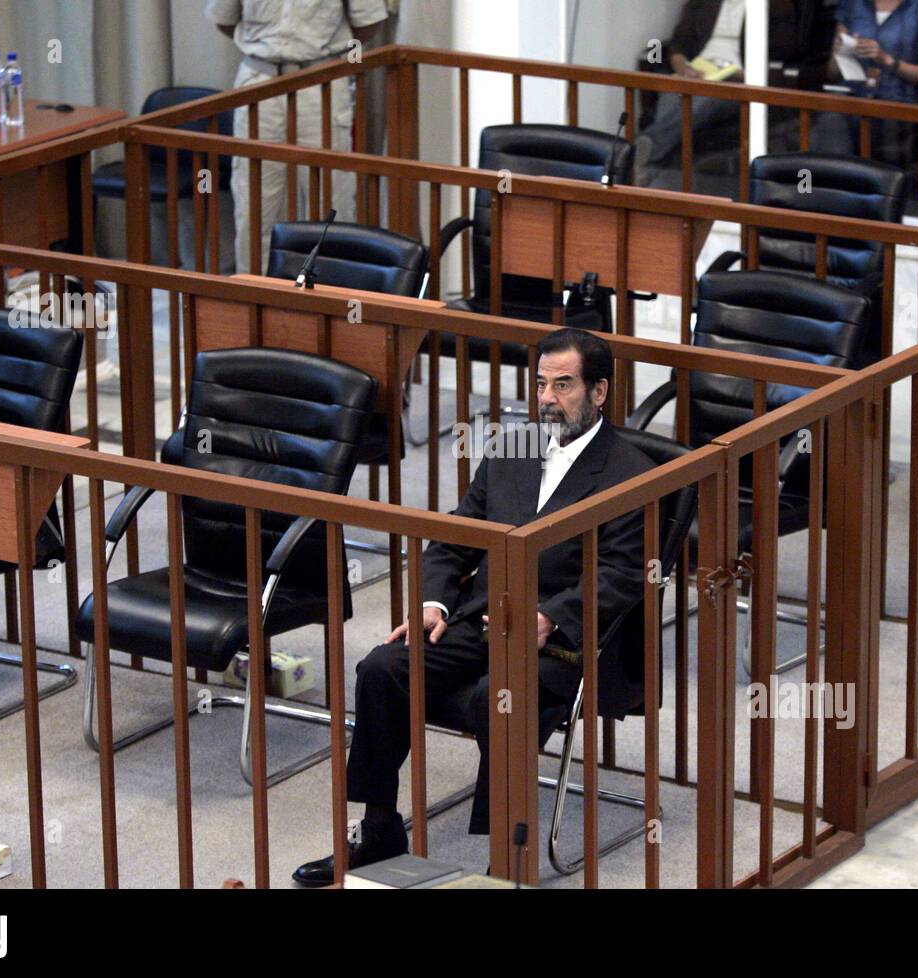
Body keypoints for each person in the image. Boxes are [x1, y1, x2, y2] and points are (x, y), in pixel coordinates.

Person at [292, 329, 655, 886]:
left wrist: (553, 616)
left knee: (497, 696)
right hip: (482, 619)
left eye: (564, 385)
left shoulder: (630, 470)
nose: (548, 399)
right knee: (382, 667)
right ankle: (380, 826)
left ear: (600, 392)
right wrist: (434, 603)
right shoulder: (513, 449)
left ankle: (504, 859)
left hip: (561, 640)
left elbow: (623, 574)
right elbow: (456, 538)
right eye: (541, 384)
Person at [204, 0, 389, 274]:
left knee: (331, 196)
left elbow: (369, 21)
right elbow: (224, 17)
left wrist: (319, 50)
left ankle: (329, 296)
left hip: (320, 79)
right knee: (253, 199)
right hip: (260, 78)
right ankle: (255, 300)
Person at [812, 0, 918, 164]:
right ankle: (836, 182)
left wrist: (886, 60)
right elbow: (831, 73)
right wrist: (842, 53)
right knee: (830, 120)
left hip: (896, 102)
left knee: (866, 127)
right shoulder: (852, 4)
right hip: (852, 98)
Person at [635, 0, 747, 180]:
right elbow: (678, 43)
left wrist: (745, 73)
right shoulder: (701, 3)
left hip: (736, 81)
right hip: (698, 71)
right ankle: (649, 169)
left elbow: (784, 53)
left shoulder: (771, 7)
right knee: (673, 91)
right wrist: (684, 69)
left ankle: (644, 150)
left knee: (700, 99)